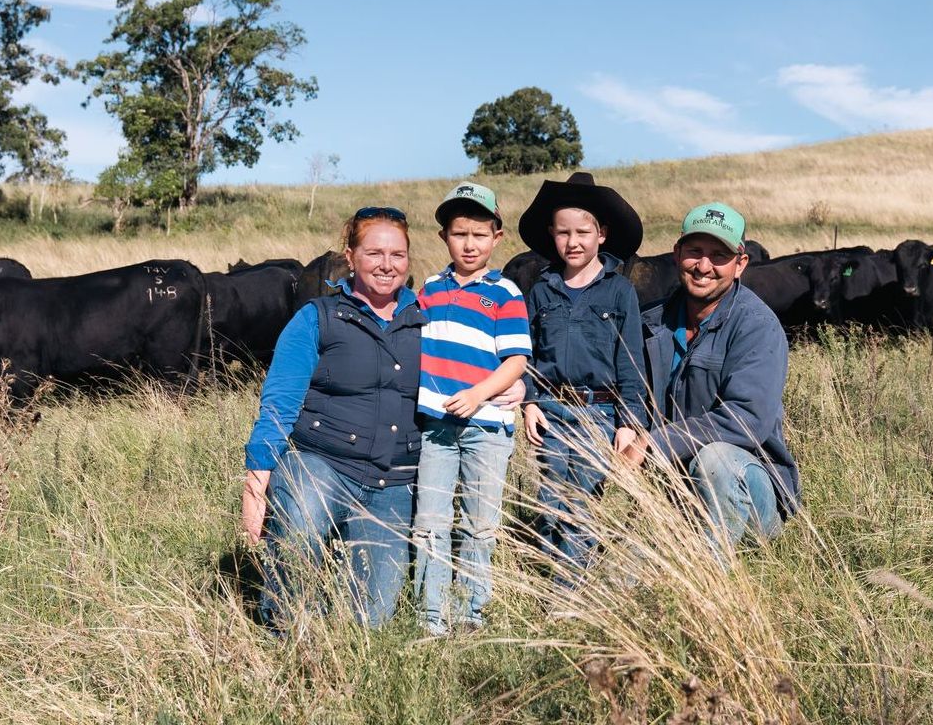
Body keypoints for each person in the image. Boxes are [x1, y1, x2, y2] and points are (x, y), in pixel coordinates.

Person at [240, 206, 426, 630]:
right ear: (351, 255)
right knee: (299, 532)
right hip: (323, 465)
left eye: (397, 254)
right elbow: (279, 401)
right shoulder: (316, 318)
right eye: (374, 253)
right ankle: (284, 633)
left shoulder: (427, 320)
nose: (386, 265)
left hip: (393, 479)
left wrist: (514, 388)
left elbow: (470, 374)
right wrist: (257, 481)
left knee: (370, 621)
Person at [629, 202, 800, 555]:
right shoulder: (650, 322)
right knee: (618, 578)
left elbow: (748, 419)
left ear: (740, 264)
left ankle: (709, 584)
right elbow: (627, 391)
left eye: (719, 255)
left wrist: (655, 442)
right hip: (674, 487)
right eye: (695, 251)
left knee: (717, 459)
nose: (704, 266)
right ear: (677, 255)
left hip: (750, 490)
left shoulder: (756, 326)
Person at [411, 182, 531, 635]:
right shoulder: (430, 289)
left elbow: (516, 360)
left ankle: (470, 611)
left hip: (486, 425)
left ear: (497, 238)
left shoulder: (505, 293)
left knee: (480, 522)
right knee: (431, 520)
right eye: (460, 233)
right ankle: (431, 614)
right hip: (437, 425)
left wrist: (480, 394)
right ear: (445, 236)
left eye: (480, 235)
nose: (469, 244)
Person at [518, 171, 650, 572]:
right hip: (552, 411)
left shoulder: (619, 291)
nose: (572, 242)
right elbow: (525, 353)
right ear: (551, 236)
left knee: (584, 499)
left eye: (582, 231)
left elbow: (631, 363)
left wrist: (629, 421)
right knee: (551, 497)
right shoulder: (541, 290)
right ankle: (551, 576)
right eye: (563, 233)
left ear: (602, 234)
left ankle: (569, 592)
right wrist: (529, 400)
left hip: (599, 414)